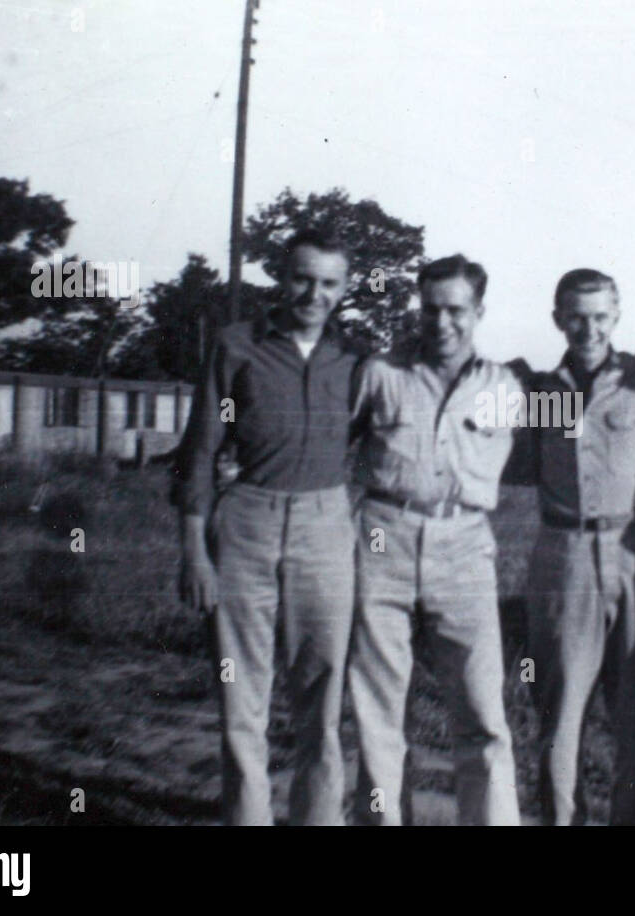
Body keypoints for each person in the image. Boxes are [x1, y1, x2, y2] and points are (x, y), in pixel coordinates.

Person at [173, 229, 360, 826]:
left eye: (329, 282)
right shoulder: (237, 346)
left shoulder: (358, 360)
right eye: (303, 278)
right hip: (247, 521)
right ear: (282, 277)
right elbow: (200, 451)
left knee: (324, 698)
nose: (314, 292)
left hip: (326, 526)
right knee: (241, 697)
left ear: (345, 288)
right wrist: (195, 553)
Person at [348, 253, 522, 825]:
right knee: (378, 711)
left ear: (479, 312)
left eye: (456, 311)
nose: (442, 322)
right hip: (383, 537)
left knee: (482, 712)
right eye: (431, 309)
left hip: (466, 543)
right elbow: (329, 445)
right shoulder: (381, 373)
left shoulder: (506, 387)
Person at [511, 268, 635, 825]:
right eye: (576, 317)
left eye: (600, 317)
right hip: (562, 552)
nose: (588, 329)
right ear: (558, 318)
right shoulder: (538, 389)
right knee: (559, 714)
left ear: (618, 315)